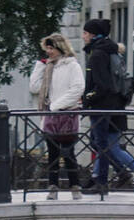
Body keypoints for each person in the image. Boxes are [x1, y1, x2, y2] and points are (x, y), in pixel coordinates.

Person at [79, 18, 134, 196]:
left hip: (103, 107)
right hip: (117, 104)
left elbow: (101, 85)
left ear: (93, 35)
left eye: (85, 33)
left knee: (101, 144)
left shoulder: (97, 54)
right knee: (107, 144)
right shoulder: (112, 51)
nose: (83, 37)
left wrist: (87, 99)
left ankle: (101, 181)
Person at [29, 33, 85, 200]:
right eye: (47, 48)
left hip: (67, 113)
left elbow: (77, 89)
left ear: (60, 48)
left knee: (68, 152)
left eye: (51, 48)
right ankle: (52, 187)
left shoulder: (72, 66)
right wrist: (40, 66)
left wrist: (56, 105)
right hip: (50, 115)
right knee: (52, 153)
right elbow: (34, 87)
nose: (49, 52)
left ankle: (75, 186)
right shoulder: (48, 67)